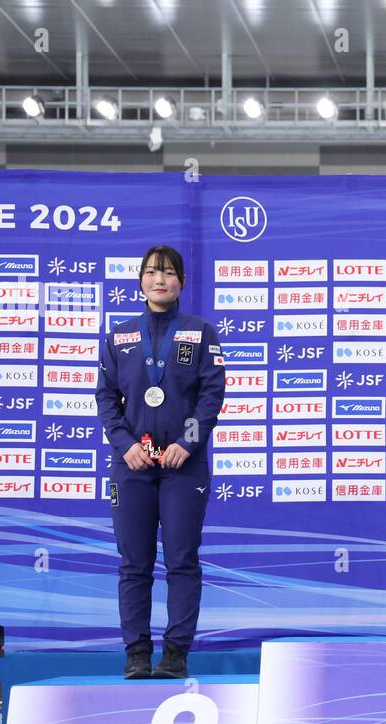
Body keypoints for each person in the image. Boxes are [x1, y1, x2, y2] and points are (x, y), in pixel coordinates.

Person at [95, 245, 226, 679]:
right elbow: (106, 399)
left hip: (183, 466)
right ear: (139, 281)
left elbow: (212, 395)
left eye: (168, 272)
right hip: (131, 465)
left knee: (182, 560)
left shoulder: (200, 332)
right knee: (133, 562)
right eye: (151, 272)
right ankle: (136, 652)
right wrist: (123, 444)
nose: (159, 279)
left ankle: (175, 653)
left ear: (182, 282)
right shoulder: (118, 337)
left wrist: (188, 442)